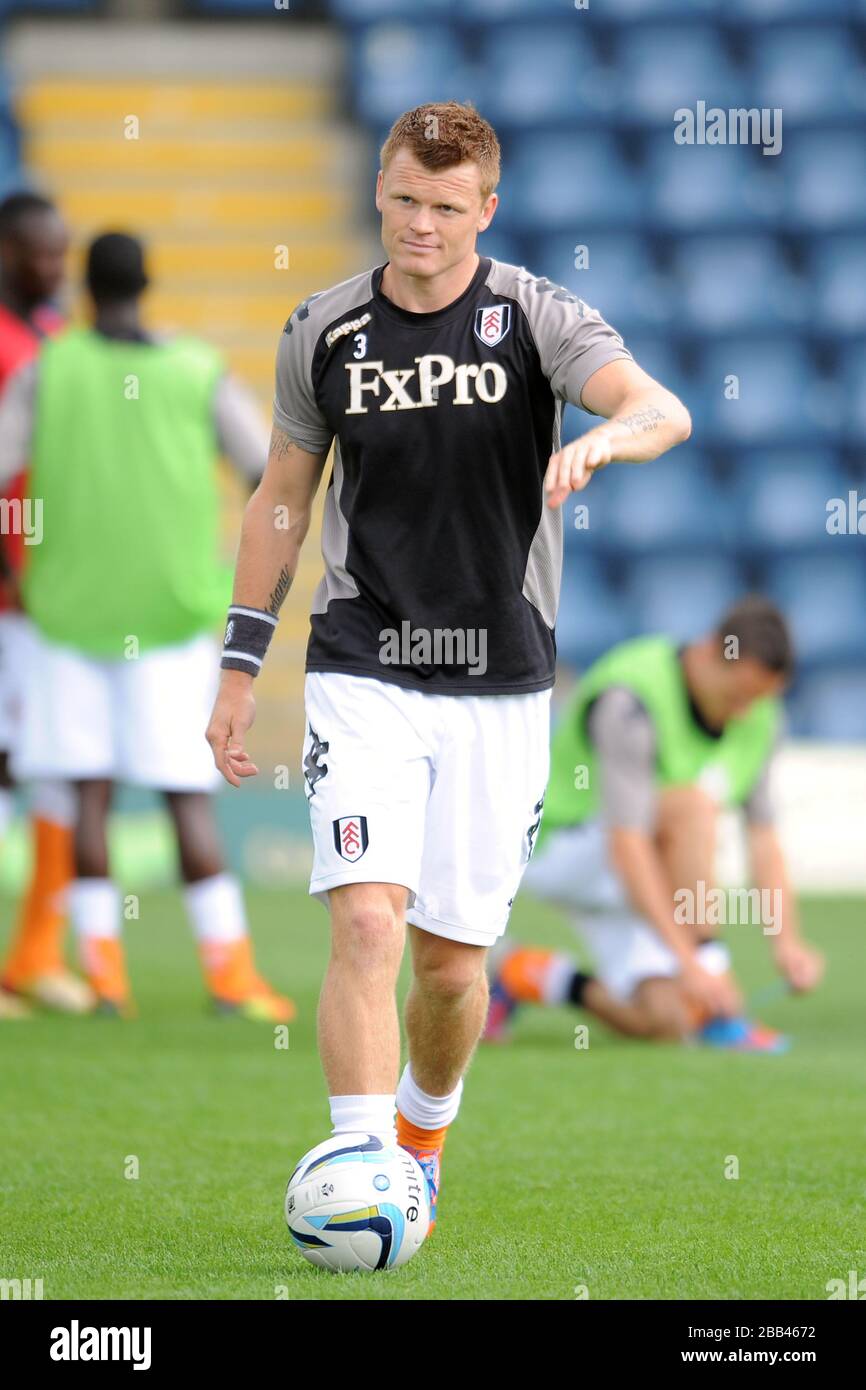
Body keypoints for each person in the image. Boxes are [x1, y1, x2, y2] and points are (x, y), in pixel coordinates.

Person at [206, 101, 692, 1233]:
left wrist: (606, 436)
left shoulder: (532, 316)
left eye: (444, 205)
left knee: (448, 968)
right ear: (379, 188)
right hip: (361, 661)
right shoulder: (321, 330)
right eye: (403, 198)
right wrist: (239, 666)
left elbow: (656, 405)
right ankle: (361, 1169)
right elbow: (281, 499)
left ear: (485, 207)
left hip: (500, 679)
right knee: (367, 925)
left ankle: (420, 1140)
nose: (419, 224)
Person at [0, 230, 293, 1021]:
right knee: (185, 796)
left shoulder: (46, 369)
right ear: (149, 281)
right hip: (172, 616)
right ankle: (232, 977)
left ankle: (104, 977)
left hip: (64, 615)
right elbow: (267, 471)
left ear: (83, 289)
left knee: (88, 795)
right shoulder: (197, 371)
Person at [486, 598, 824, 1051]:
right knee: (692, 808)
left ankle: (521, 971)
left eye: (759, 699)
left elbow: (763, 838)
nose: (746, 712)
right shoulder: (631, 699)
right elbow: (627, 843)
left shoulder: (760, 715)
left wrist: (787, 943)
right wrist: (697, 963)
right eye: (738, 696)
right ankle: (714, 987)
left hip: (635, 871)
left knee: (666, 1020)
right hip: (565, 851)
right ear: (708, 653)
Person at [0, 190, 90, 1020]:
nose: (51, 267)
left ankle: (34, 957)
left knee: (55, 767)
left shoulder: (65, 343)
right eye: (36, 252)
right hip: (10, 593)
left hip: (53, 599)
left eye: (60, 252)